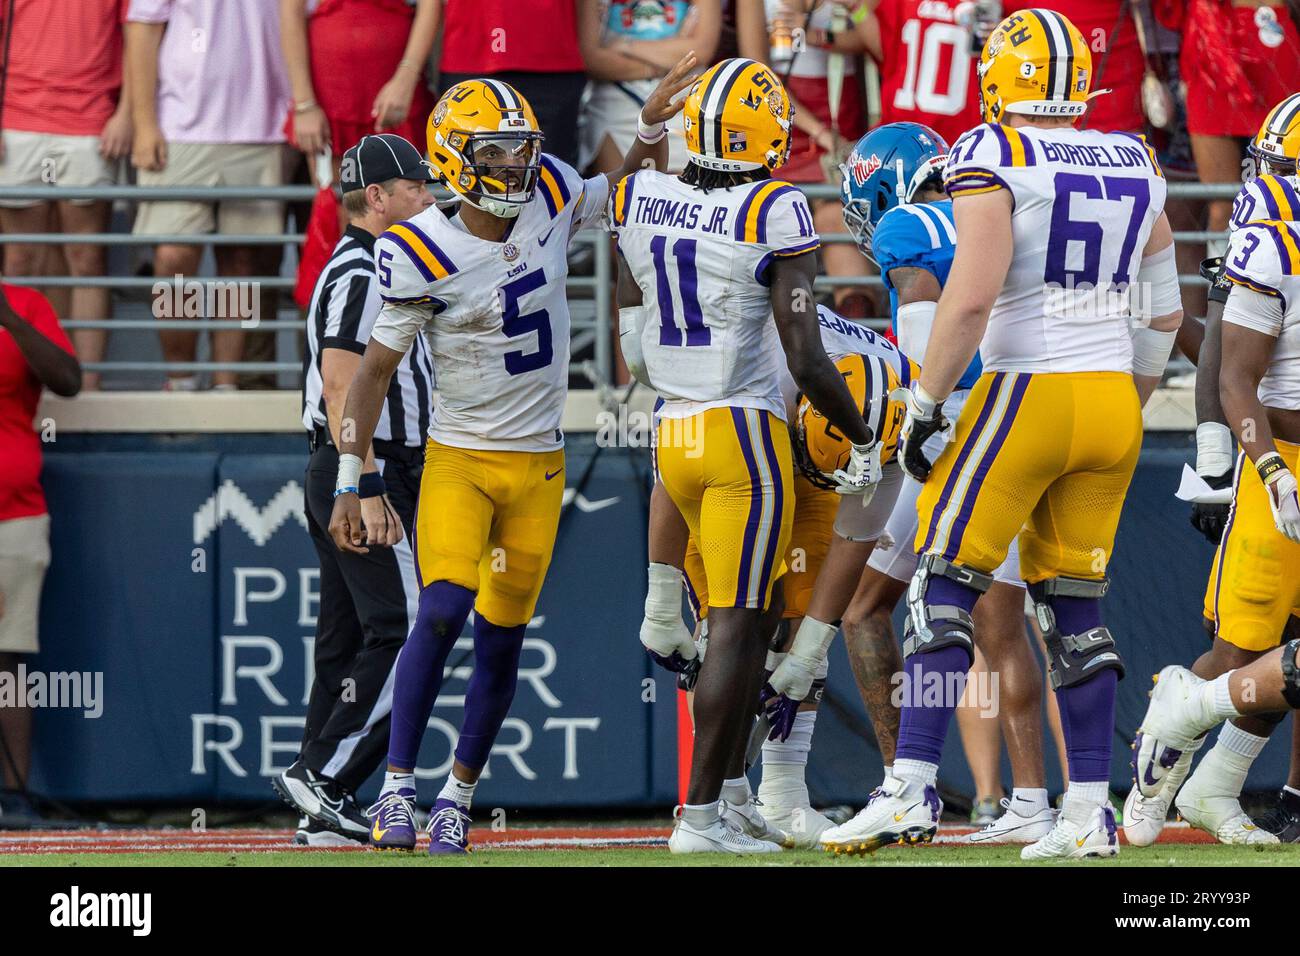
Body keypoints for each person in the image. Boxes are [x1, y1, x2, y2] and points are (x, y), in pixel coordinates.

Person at [824, 8, 1183, 861]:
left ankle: (908, 785)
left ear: (997, 80)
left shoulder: (991, 153)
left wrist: (928, 405)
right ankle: (1090, 809)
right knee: (1077, 611)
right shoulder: (1131, 155)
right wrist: (1125, 398)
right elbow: (1165, 309)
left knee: (939, 588)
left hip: (1027, 388)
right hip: (1108, 401)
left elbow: (973, 297)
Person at [329, 58, 698, 854]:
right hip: (461, 457)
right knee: (441, 608)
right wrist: (352, 481)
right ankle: (397, 789)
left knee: (501, 638)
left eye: (520, 149)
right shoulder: (420, 250)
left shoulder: (553, 192)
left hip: (539, 463)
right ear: (460, 157)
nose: (516, 165)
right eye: (497, 153)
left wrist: (650, 129)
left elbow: (619, 195)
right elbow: (372, 376)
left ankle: (459, 796)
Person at [615, 56, 878, 854]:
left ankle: (723, 806)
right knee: (738, 624)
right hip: (741, 432)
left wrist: (646, 130)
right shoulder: (775, 208)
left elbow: (626, 206)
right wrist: (861, 437)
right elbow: (805, 355)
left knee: (731, 621)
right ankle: (700, 818)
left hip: (674, 431)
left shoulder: (641, 191)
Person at [828, 122, 1053, 847]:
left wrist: (919, 416)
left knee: (988, 622)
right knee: (871, 607)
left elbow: (932, 341)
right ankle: (906, 782)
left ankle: (1023, 798)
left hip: (963, 438)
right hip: (1017, 420)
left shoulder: (911, 224)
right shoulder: (999, 205)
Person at [1125, 96, 1300, 847]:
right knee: (1244, 647)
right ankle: (1159, 770)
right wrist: (1248, 461)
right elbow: (1234, 378)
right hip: (1284, 460)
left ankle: (1216, 786)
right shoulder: (1274, 245)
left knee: (1287, 648)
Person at [272, 134, 436, 848]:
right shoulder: (365, 267)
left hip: (352, 464)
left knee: (345, 642)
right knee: (412, 629)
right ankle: (327, 775)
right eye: (416, 189)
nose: (428, 200)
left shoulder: (371, 263)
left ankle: (322, 810)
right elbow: (343, 381)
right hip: (366, 465)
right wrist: (362, 480)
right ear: (379, 198)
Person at [125, 0, 291, 390]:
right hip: (179, 129)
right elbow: (142, 29)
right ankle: (180, 379)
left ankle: (225, 386)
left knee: (241, 266)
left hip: (260, 128)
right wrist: (144, 123)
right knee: (173, 259)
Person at [0, 0, 132, 393]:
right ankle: (26, 388)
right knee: (23, 261)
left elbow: (136, 35)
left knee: (86, 258)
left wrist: (126, 113)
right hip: (17, 118)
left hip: (91, 120)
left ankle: (87, 388)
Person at [0, 285, 81, 822]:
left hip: (14, 510)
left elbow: (68, 381)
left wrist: (7, 319)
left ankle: (12, 794)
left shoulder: (25, 304)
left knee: (7, 657)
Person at [762, 0, 875, 317]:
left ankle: (857, 334)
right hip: (780, 135)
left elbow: (878, 45)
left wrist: (813, 32)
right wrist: (821, 133)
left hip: (842, 138)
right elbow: (759, 74)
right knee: (780, 229)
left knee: (834, 219)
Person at [436, 1, 591, 168]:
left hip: (553, 57)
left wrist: (589, 47)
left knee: (552, 181)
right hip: (471, 49)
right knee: (465, 178)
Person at [577, 0, 722, 175]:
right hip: (615, 101)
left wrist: (624, 44)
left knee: (680, 197)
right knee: (619, 195)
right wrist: (668, 62)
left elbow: (702, 49)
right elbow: (592, 59)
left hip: (681, 99)